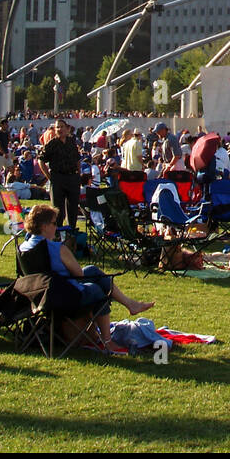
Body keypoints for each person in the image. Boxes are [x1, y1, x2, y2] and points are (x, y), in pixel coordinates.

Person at [19, 204, 152, 347]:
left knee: (92, 270)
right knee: (96, 289)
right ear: (44, 226)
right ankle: (107, 341)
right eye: (54, 223)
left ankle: (130, 304)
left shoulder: (23, 247)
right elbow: (78, 274)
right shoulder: (57, 249)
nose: (56, 227)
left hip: (36, 295)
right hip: (61, 296)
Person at [38, 120, 82, 231]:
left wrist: (78, 173)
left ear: (67, 129)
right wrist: (49, 176)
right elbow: (41, 160)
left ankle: (72, 230)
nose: (60, 129)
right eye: (57, 127)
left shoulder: (72, 142)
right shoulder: (52, 144)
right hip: (58, 177)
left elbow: (77, 158)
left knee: (73, 207)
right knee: (58, 209)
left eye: (62, 127)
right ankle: (58, 231)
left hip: (72, 177)